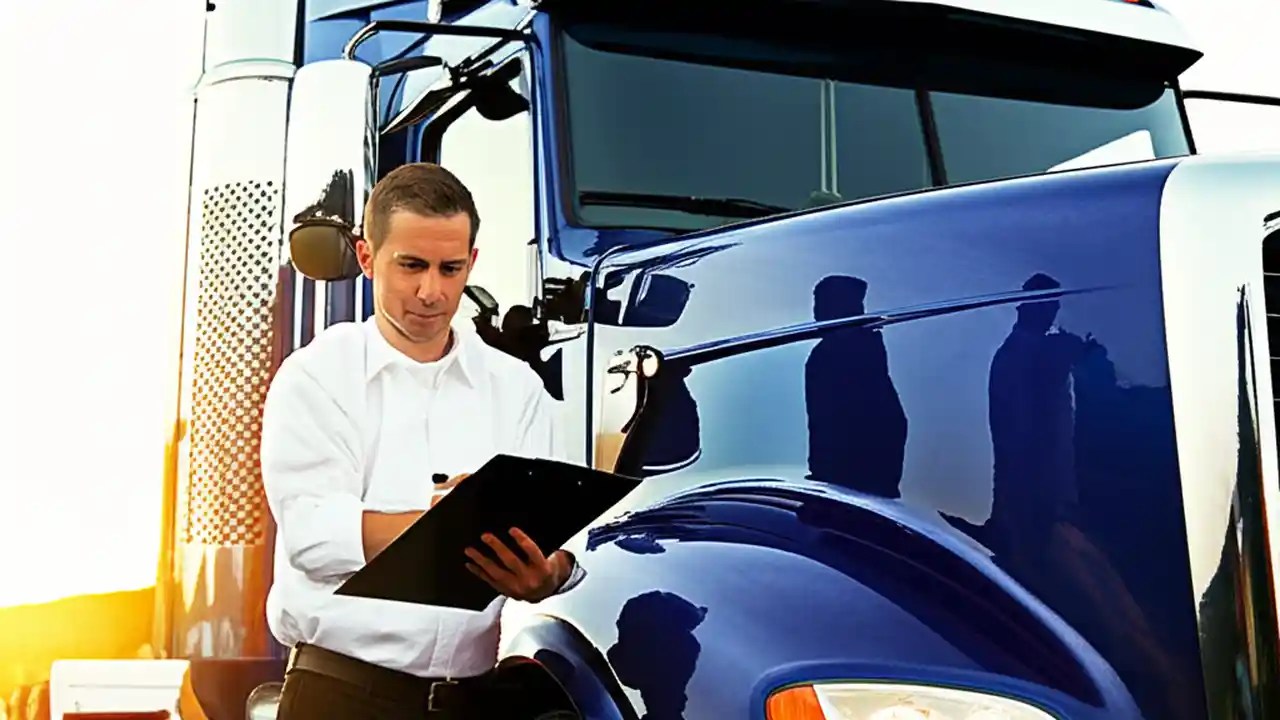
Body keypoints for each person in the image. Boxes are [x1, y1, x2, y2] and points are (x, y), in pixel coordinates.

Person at [260, 162, 584, 719]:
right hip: (338, 698)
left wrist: (546, 573)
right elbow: (313, 538)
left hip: (473, 703)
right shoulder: (315, 375)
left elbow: (564, 544)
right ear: (366, 258)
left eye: (450, 268)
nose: (432, 291)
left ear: (472, 263)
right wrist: (448, 525)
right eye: (411, 265)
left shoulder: (518, 388)